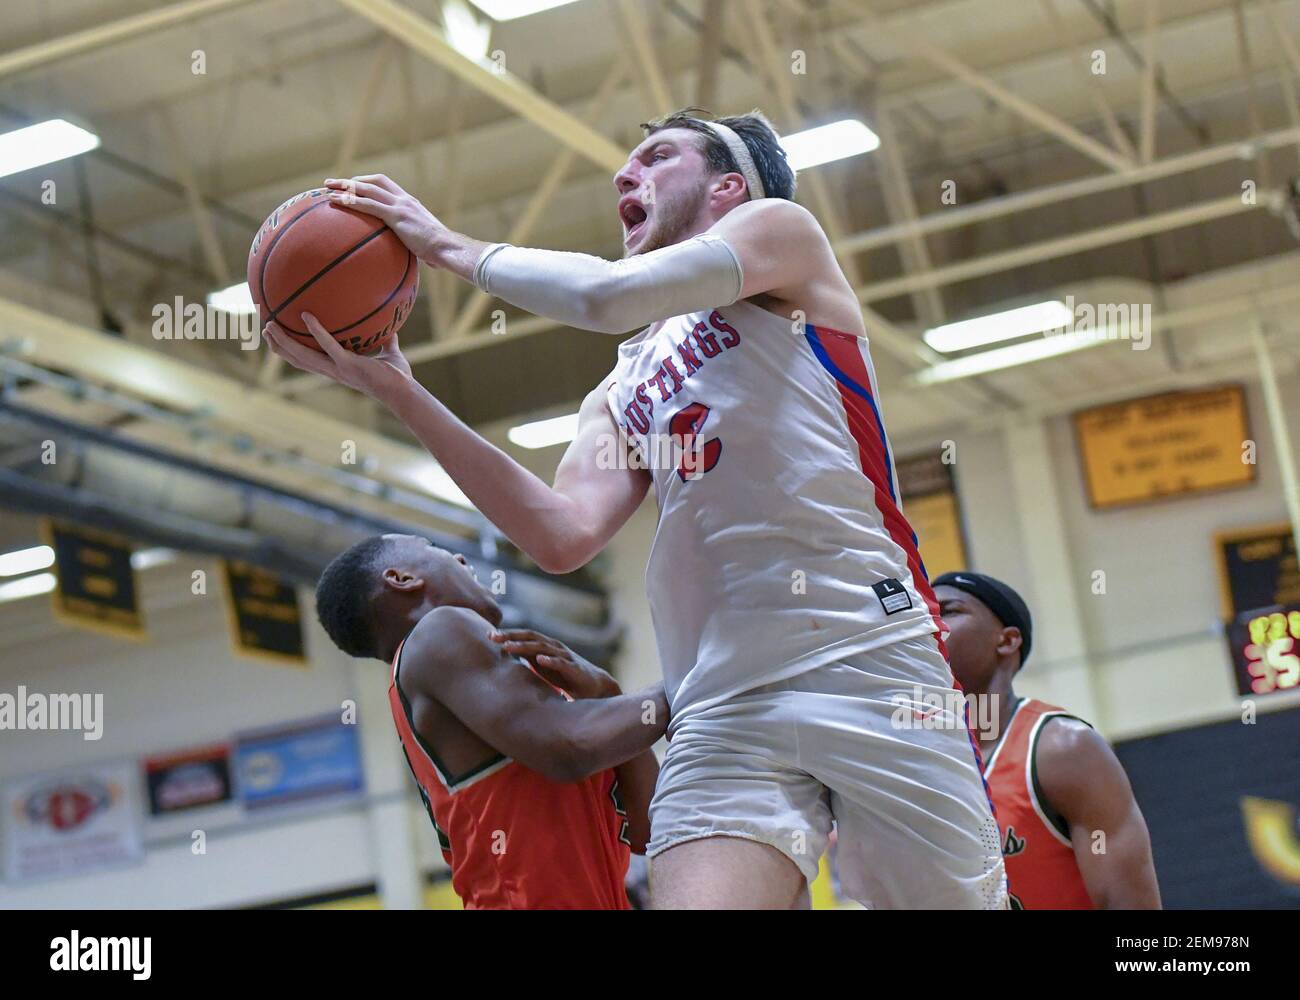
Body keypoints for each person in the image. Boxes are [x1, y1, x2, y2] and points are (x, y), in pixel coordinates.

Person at [267, 109, 1006, 909]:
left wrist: (449, 247)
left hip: (867, 655)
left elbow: (604, 295)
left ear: (730, 186)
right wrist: (398, 391)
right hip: (719, 699)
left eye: (657, 157)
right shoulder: (621, 386)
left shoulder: (780, 236)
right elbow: (559, 536)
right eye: (627, 166)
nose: (626, 176)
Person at [314, 532, 665, 909]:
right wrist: (700, 679)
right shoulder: (436, 633)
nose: (463, 561)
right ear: (402, 579)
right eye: (437, 550)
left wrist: (609, 695)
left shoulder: (472, 683)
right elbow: (570, 748)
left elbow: (651, 828)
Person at [933, 570, 1161, 909]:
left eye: (947, 611)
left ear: (1007, 640)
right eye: (922, 613)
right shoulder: (918, 760)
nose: (929, 625)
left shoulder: (1063, 749)